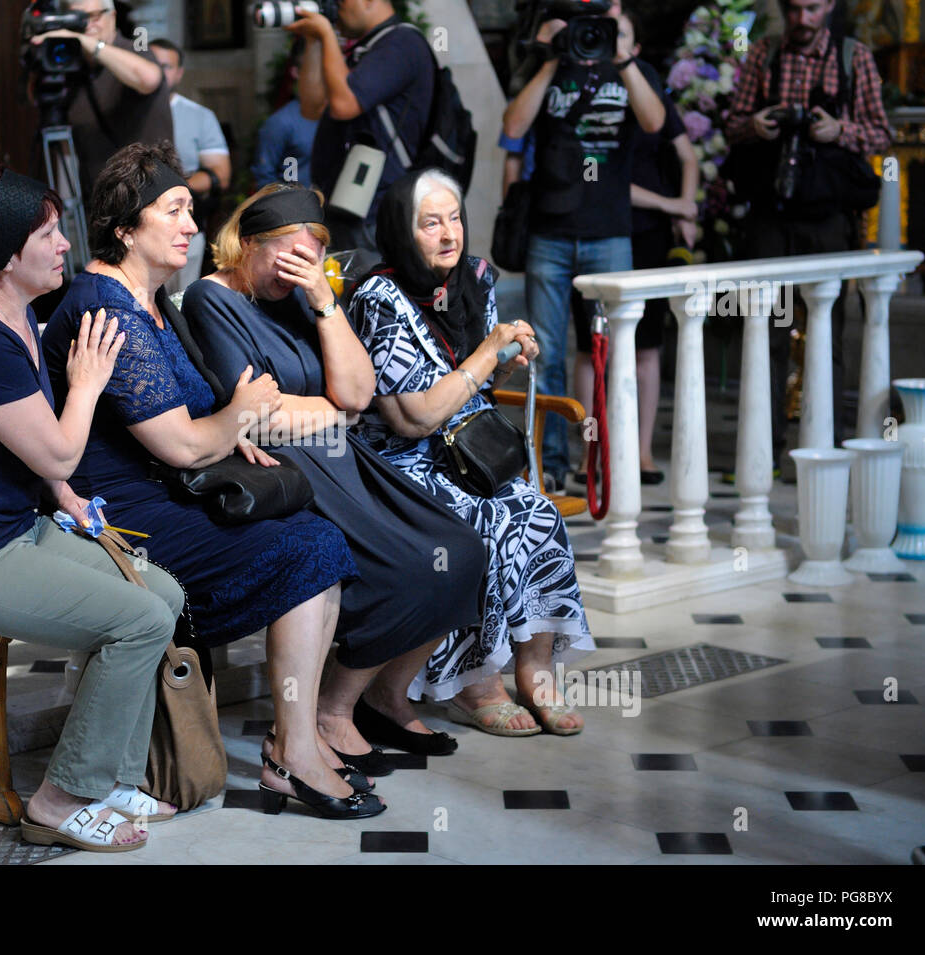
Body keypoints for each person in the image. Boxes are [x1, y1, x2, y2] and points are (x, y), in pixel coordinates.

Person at [41, 142, 384, 819]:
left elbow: (195, 420)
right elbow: (178, 440)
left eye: (192, 211)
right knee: (307, 549)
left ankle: (296, 742)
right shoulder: (107, 308)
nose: (192, 226)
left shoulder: (151, 300)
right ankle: (296, 752)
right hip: (119, 515)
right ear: (125, 228)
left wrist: (237, 434)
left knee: (318, 538)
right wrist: (238, 417)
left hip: (170, 489)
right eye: (173, 210)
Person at [0, 161, 184, 852]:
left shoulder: (18, 313)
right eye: (47, 233)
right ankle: (58, 799)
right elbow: (55, 449)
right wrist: (85, 384)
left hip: (14, 527)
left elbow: (28, 454)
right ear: (2, 253)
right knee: (138, 619)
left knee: (162, 593)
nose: (63, 245)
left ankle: (108, 775)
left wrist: (63, 495)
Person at [181, 183, 486, 766]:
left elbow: (360, 390)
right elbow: (257, 419)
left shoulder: (304, 294)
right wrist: (336, 412)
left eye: (310, 257)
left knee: (463, 551)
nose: (296, 270)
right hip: (290, 472)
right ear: (246, 245)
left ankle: (386, 697)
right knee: (406, 569)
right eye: (285, 256)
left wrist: (322, 298)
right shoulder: (210, 299)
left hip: (347, 459)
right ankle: (333, 708)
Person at [352, 168, 594, 736]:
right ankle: (473, 682)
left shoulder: (474, 278)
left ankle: (535, 670)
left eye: (454, 218)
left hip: (469, 449)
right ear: (402, 229)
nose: (448, 234)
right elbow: (413, 418)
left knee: (535, 513)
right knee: (478, 525)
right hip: (401, 464)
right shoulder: (379, 297)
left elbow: (473, 379)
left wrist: (506, 354)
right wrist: (487, 353)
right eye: (430, 223)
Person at [503, 5, 665, 490]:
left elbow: (655, 122)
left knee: (613, 353)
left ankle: (608, 456)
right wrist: (552, 58)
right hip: (549, 232)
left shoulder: (632, 70)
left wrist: (623, 60)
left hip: (611, 232)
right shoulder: (547, 66)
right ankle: (548, 460)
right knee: (545, 352)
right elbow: (513, 128)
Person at [725, 0, 890, 468]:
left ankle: (825, 449)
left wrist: (840, 130)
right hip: (769, 215)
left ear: (829, 7)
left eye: (812, 9)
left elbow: (880, 134)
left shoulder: (852, 57)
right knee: (766, 328)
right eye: (794, 9)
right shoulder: (763, 54)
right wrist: (754, 125)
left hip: (826, 217)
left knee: (827, 333)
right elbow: (732, 125)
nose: (802, 19)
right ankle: (764, 449)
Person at [570, 9, 699, 487]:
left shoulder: (644, 81)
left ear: (636, 46)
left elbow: (686, 153)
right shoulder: (585, 82)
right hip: (607, 223)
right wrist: (673, 206)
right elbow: (602, 176)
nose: (607, 41)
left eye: (619, 34)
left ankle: (641, 451)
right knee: (591, 347)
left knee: (647, 346)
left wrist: (687, 208)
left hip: (649, 234)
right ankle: (593, 451)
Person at [289, 0, 435, 259]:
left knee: (370, 295)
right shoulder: (366, 48)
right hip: (344, 203)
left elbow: (345, 104)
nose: (335, 6)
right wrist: (314, 41)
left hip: (377, 210)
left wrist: (326, 32)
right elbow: (312, 106)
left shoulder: (402, 43)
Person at [30, 0, 173, 200]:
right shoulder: (70, 66)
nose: (87, 24)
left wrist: (86, 42)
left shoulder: (135, 48)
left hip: (149, 192)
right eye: (77, 19)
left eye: (95, 16)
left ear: (113, 16)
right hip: (101, 198)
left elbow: (148, 79)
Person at [148, 38, 231, 294]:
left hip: (184, 225)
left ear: (180, 72)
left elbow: (221, 174)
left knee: (180, 302)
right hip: (135, 227)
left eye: (167, 66)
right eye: (153, 64)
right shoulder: (123, 113)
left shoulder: (199, 115)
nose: (160, 72)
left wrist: (170, 190)